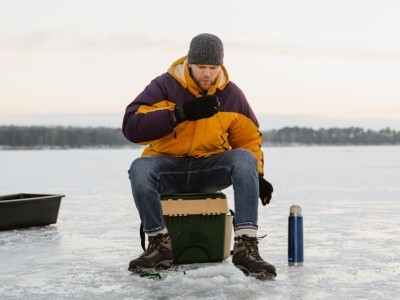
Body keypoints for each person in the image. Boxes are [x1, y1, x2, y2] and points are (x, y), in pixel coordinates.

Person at [122, 33, 276, 279]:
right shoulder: (165, 86)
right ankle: (158, 245)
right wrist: (179, 113)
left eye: (212, 67)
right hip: (168, 166)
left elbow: (248, 139)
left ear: (220, 66)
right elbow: (132, 126)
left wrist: (258, 175)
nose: (207, 73)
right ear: (190, 63)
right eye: (201, 67)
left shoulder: (230, 95)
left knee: (245, 158)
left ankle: (246, 247)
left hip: (209, 168)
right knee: (140, 168)